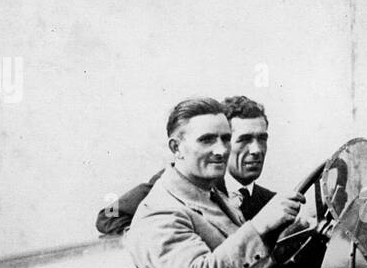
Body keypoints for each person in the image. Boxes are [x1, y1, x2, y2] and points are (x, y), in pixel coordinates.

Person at [123, 96, 303, 268]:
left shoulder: (209, 192)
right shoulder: (161, 212)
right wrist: (260, 225)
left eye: (226, 139)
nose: (221, 150)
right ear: (176, 148)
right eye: (206, 140)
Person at [97, 95, 276, 235]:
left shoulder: (271, 203)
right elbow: (109, 214)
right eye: (244, 140)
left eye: (262, 139)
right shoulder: (181, 181)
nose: (256, 150)